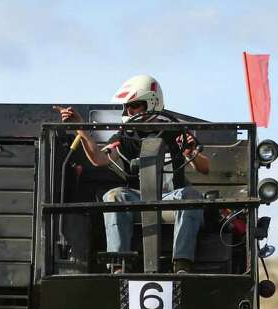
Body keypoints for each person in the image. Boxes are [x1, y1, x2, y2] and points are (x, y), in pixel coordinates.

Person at [57, 74, 210, 272]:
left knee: (191, 197)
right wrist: (81, 129)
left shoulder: (176, 130)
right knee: (113, 196)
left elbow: (204, 167)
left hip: (172, 199)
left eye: (135, 105)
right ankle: (119, 265)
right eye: (127, 106)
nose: (129, 110)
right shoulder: (125, 134)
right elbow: (98, 158)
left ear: (152, 102)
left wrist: (191, 153)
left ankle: (181, 264)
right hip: (137, 199)